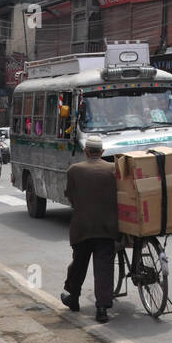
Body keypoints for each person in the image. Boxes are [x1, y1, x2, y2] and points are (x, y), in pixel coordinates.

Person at [61, 135, 120, 323]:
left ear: (86, 151)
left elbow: (70, 196)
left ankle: (74, 298)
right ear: (102, 152)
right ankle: (102, 308)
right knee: (104, 267)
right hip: (107, 227)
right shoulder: (113, 169)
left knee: (79, 263)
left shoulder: (74, 170)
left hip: (82, 227)